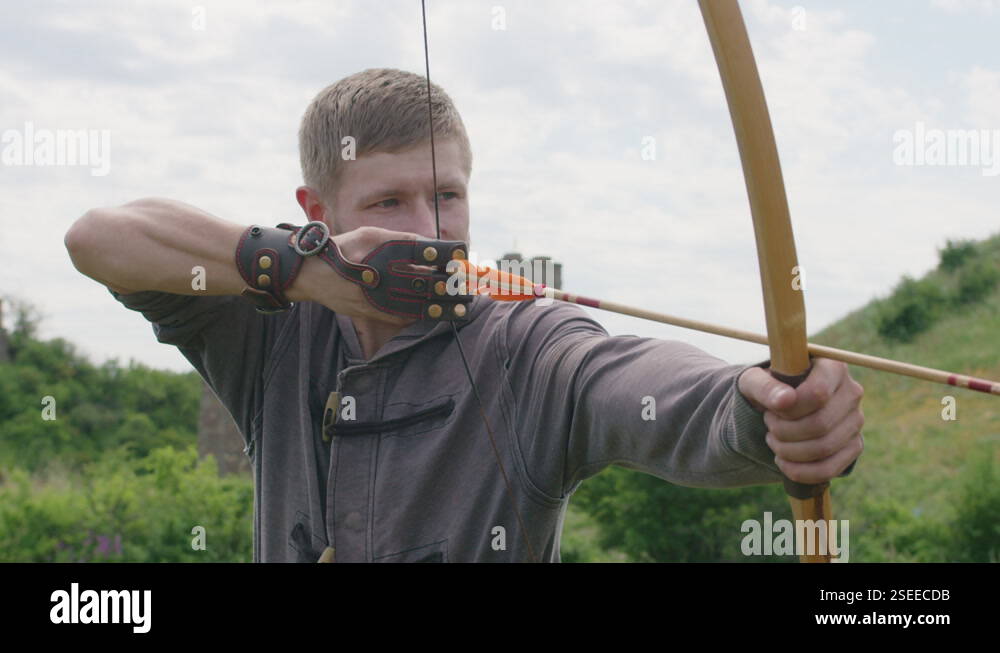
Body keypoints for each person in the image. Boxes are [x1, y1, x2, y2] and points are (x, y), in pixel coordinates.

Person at [64, 68, 863, 562]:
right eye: (388, 201)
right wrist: (312, 271)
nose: (432, 229)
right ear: (318, 207)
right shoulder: (272, 327)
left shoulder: (523, 344)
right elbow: (99, 238)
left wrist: (765, 409)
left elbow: (632, 384)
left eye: (447, 194)